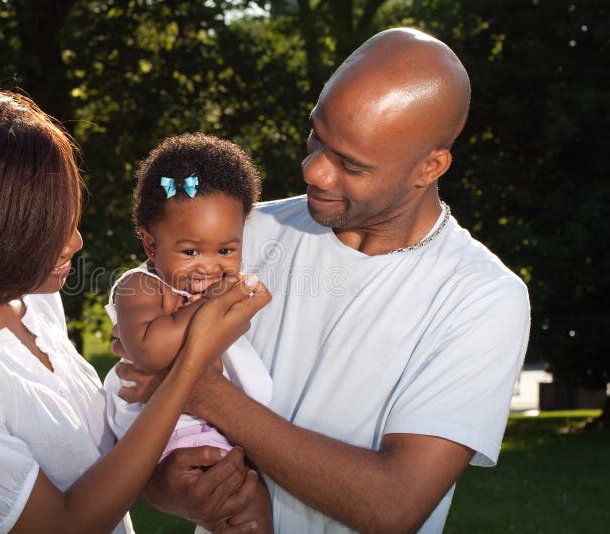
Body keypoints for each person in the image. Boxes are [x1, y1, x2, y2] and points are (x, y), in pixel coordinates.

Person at [114, 27, 531, 533]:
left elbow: (394, 505)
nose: (314, 170)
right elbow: (140, 409)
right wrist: (171, 488)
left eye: (349, 163)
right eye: (317, 135)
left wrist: (198, 388)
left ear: (430, 167)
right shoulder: (238, 237)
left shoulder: (482, 297)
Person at [0, 88, 271, 534]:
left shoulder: (29, 296)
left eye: (70, 218)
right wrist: (191, 363)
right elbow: (62, 526)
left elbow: (92, 462)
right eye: (49, 230)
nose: (75, 242)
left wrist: (166, 486)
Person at [104, 133, 273, 464]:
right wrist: (209, 306)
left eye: (226, 250)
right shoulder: (140, 286)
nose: (210, 265)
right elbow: (151, 353)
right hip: (168, 426)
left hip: (217, 420)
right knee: (235, 496)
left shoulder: (221, 288)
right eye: (191, 251)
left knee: (251, 500)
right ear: (151, 246)